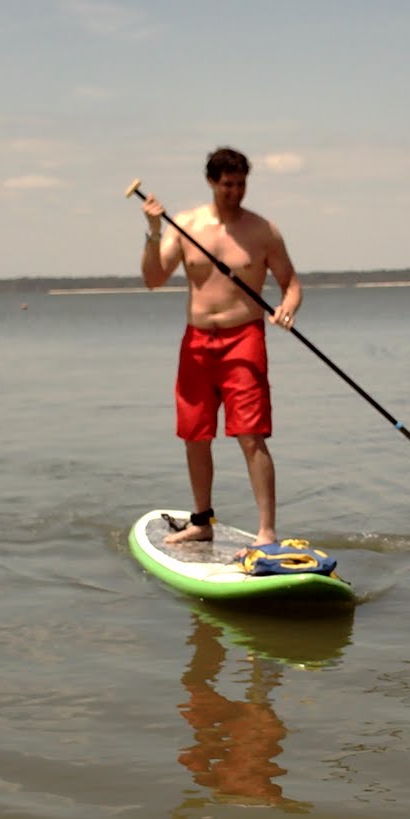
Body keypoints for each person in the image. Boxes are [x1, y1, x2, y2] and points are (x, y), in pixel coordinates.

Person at [139, 147, 302, 548]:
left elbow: (291, 284)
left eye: (241, 184)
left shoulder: (263, 231)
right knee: (195, 434)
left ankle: (266, 531)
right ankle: (201, 521)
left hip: (244, 339)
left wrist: (287, 308)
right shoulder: (186, 225)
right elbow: (154, 279)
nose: (235, 192)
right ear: (212, 182)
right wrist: (155, 231)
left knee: (251, 434)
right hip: (196, 342)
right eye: (228, 184)